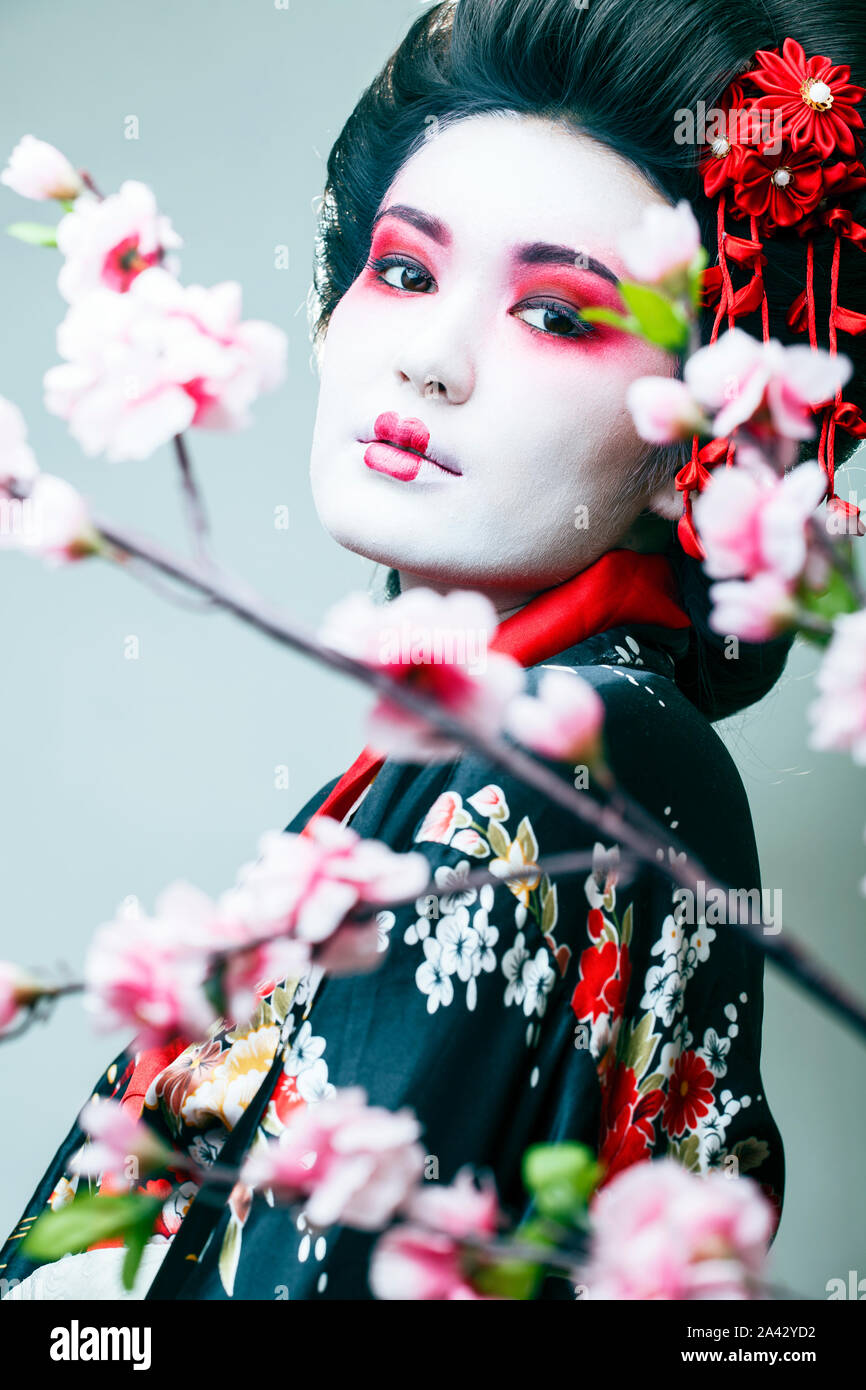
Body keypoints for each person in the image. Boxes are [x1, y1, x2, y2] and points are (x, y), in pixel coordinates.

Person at [3, 0, 864, 1301]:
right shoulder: (545, 737)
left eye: (558, 313)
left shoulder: (563, 749)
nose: (428, 360)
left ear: (689, 435)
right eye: (403, 271)